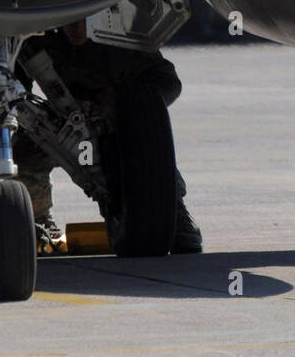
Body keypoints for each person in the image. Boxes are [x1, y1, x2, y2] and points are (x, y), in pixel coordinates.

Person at [12, 21, 202, 255]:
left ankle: (174, 211)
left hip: (115, 122)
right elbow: (13, 83)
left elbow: (167, 80)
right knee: (26, 149)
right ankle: (38, 219)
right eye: (69, 22)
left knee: (144, 146)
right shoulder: (37, 38)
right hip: (66, 120)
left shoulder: (118, 41)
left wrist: (126, 107)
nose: (74, 28)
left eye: (81, 22)